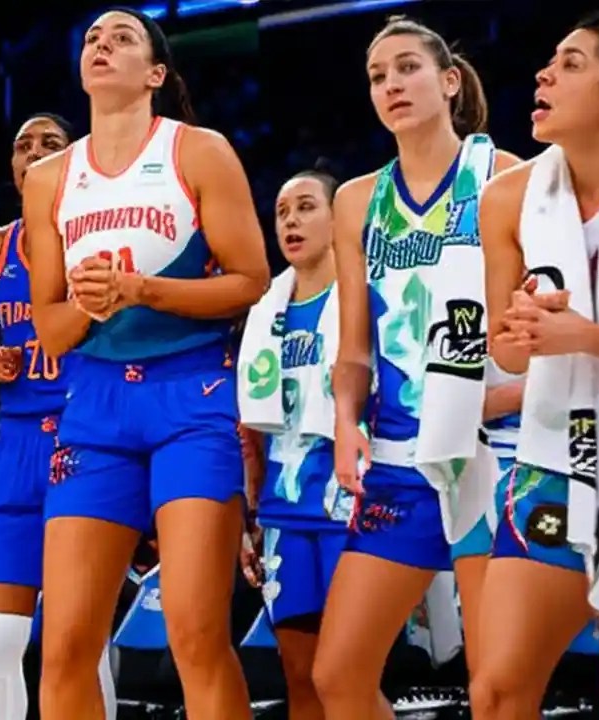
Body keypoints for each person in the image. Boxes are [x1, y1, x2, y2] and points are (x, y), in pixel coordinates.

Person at [22, 8, 270, 719]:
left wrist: (141, 290)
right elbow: (51, 328)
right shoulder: (48, 179)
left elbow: (250, 281)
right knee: (67, 644)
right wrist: (92, 306)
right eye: (93, 37)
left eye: (123, 37)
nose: (102, 44)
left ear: (156, 74)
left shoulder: (198, 151)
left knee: (193, 634)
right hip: (95, 404)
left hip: (191, 395)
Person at [310, 17, 520, 719]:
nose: (391, 84)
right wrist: (345, 422)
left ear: (450, 81)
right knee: (336, 678)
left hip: (493, 456)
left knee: (496, 692)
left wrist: (491, 402)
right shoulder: (356, 201)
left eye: (407, 68)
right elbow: (354, 349)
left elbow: (553, 338)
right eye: (377, 76)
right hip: (399, 459)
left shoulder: (508, 178)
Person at [474, 12, 599, 719]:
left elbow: (579, 338)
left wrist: (581, 334)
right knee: (497, 688)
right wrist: (524, 331)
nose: (544, 74)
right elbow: (505, 349)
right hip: (552, 455)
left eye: (571, 64)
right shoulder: (506, 197)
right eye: (547, 61)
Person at [0, 112, 117, 720]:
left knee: (82, 642)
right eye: (22, 144)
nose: (33, 152)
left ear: (73, 158)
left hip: (82, 436)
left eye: (50, 143)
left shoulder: (104, 235)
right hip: (13, 443)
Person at [238, 168, 343, 720]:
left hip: (352, 502)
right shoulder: (262, 313)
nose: (292, 221)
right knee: (300, 675)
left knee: (347, 672)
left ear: (338, 218)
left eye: (306, 207)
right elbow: (249, 433)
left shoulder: (368, 299)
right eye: (282, 212)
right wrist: (248, 514)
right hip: (282, 510)